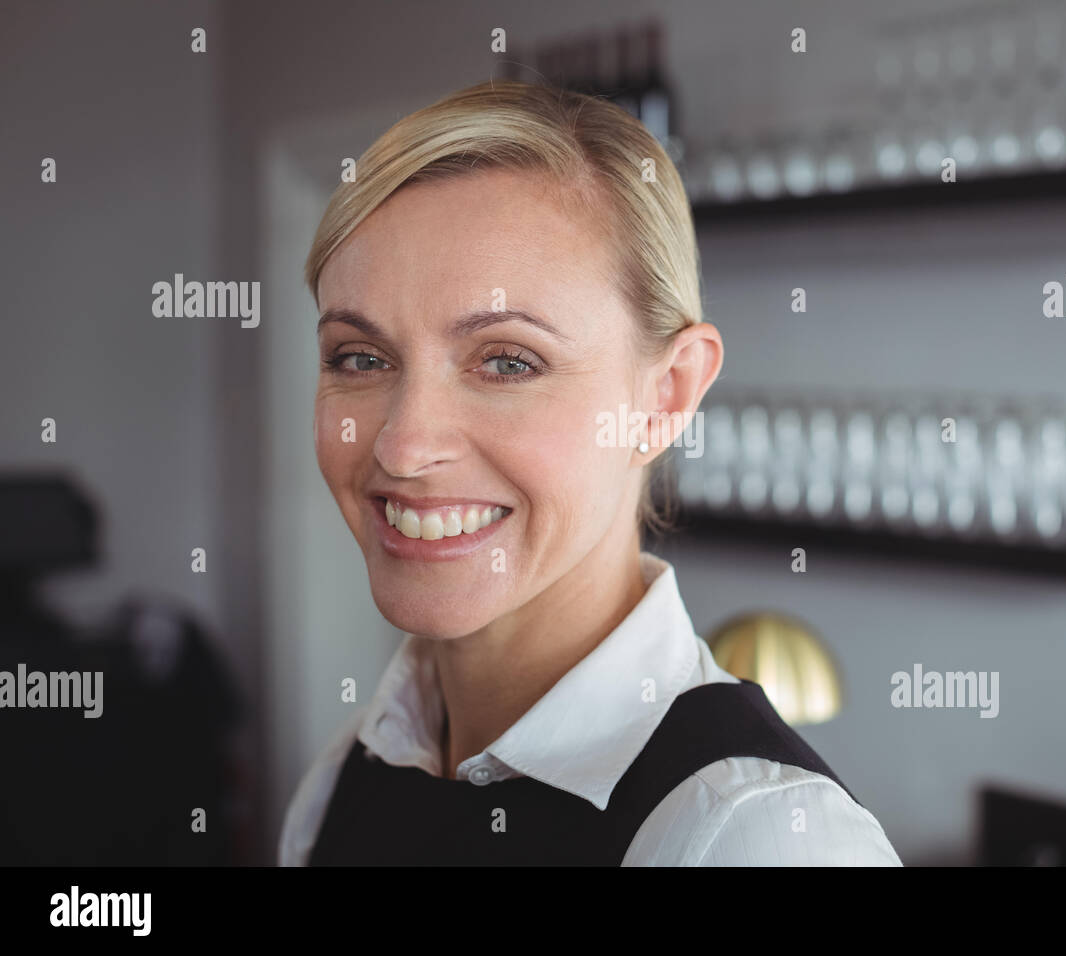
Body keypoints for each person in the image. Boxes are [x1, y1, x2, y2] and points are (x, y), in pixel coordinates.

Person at [279, 79, 901, 866]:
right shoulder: (338, 782)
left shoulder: (755, 839)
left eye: (506, 362)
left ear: (665, 395)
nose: (403, 448)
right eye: (359, 358)